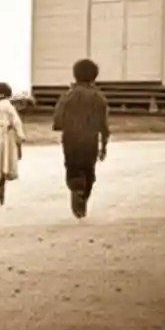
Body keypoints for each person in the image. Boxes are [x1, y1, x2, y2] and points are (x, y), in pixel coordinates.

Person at [52, 59, 110, 219]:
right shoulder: (99, 98)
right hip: (90, 140)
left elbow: (57, 119)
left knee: (72, 166)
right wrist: (104, 146)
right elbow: (104, 125)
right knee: (88, 169)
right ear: (94, 77)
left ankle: (75, 187)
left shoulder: (67, 96)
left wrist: (63, 126)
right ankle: (83, 194)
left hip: (70, 138)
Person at [0, 83, 25, 206]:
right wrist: (20, 137)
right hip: (7, 139)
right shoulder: (9, 107)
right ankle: (1, 193)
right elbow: (16, 122)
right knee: (4, 165)